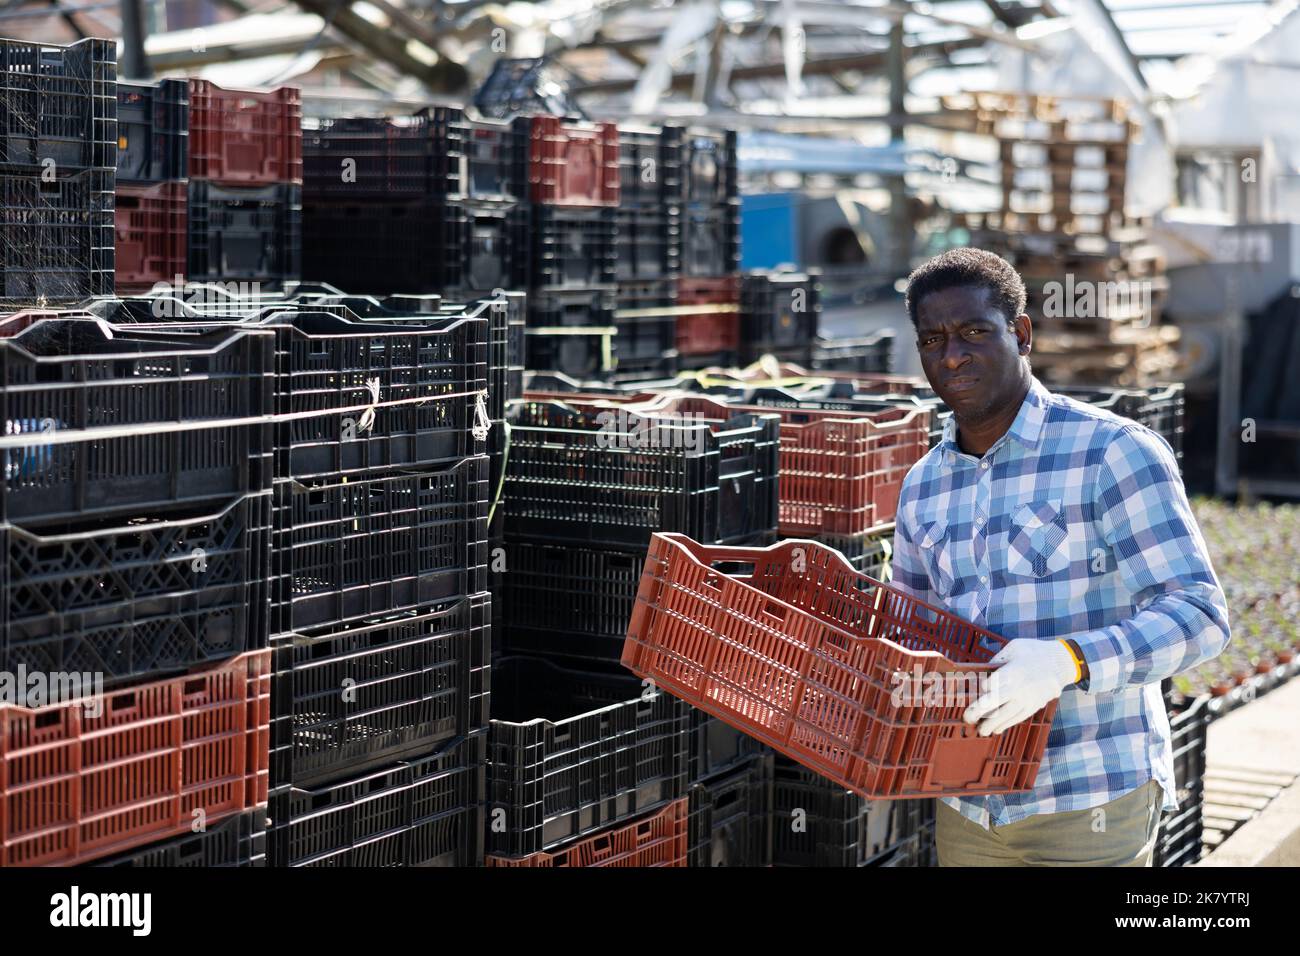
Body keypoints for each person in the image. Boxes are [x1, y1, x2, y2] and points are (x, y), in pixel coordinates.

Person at [891, 247, 1231, 866]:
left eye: (973, 332)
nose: (953, 355)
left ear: (1021, 334)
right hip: (968, 803)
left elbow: (1200, 617)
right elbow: (910, 626)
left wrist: (1069, 661)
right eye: (932, 339)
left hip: (1088, 796)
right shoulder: (923, 484)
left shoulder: (1112, 452)